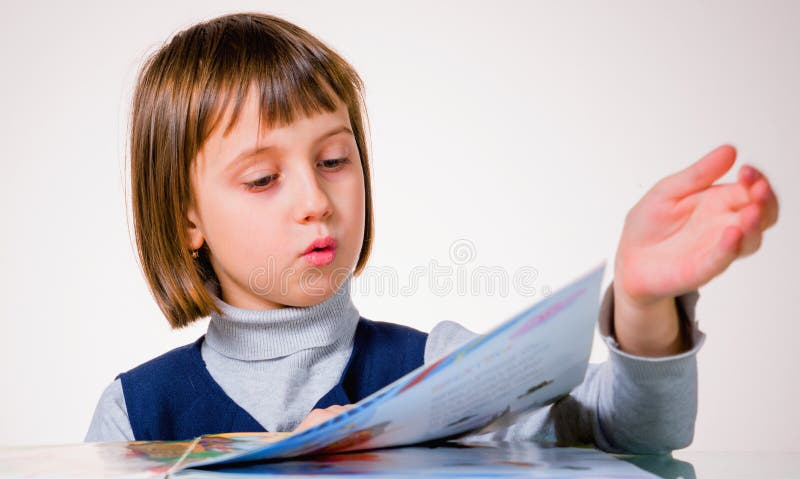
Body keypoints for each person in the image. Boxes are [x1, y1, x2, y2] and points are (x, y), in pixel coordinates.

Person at [85, 12, 779, 453]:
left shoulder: (437, 366)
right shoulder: (135, 412)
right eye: (263, 179)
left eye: (334, 160)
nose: (316, 201)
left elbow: (634, 434)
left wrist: (641, 304)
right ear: (188, 219)